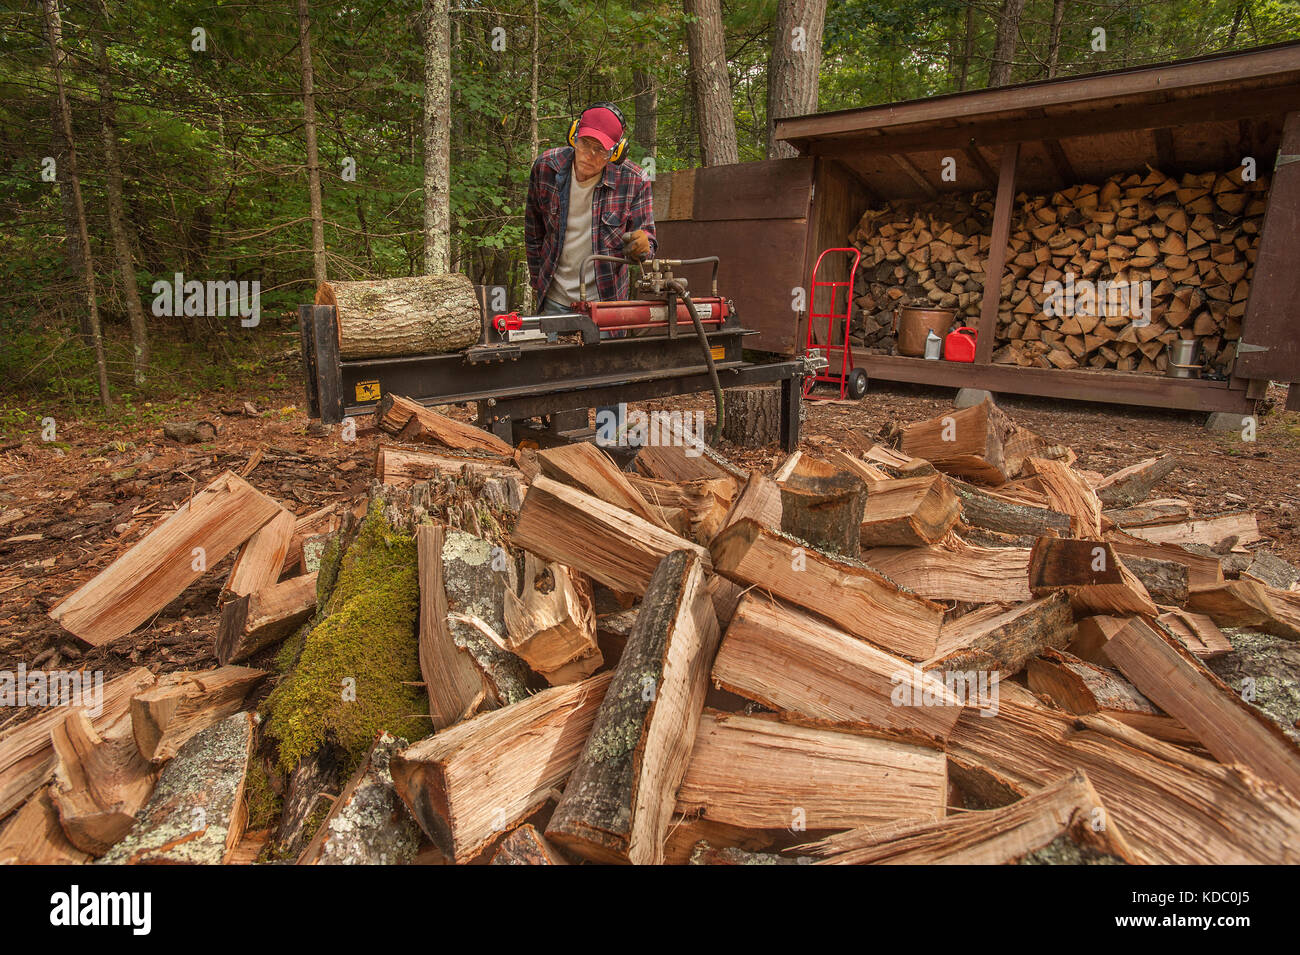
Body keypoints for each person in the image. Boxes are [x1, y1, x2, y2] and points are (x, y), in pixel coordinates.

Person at [524, 102, 657, 445]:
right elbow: (533, 230)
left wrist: (643, 245)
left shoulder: (634, 181)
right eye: (585, 144)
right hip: (554, 296)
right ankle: (558, 451)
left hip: (606, 302)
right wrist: (540, 279)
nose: (590, 155)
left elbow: (648, 239)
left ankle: (609, 451)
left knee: (609, 381)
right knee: (553, 380)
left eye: (601, 150)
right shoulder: (546, 168)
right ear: (573, 136)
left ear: (616, 152)